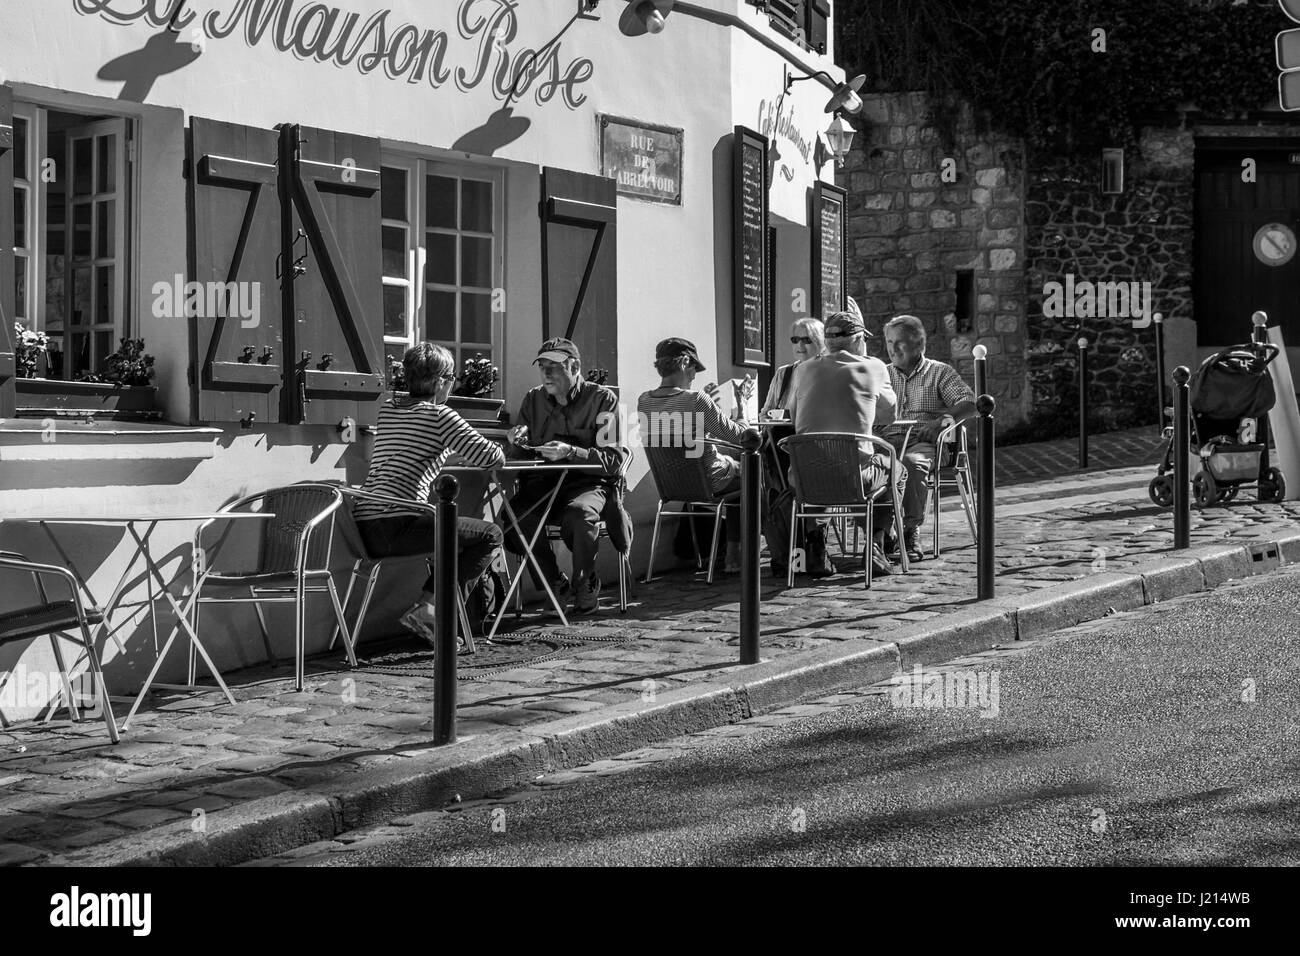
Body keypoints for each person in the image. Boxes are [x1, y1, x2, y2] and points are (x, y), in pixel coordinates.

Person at [354, 343, 506, 646]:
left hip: (363, 526)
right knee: (490, 534)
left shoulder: (388, 408)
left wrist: (443, 454)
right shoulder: (441, 416)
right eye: (451, 378)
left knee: (453, 538)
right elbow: (493, 458)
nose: (453, 384)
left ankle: (435, 611)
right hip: (399, 525)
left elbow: (409, 449)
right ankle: (431, 610)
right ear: (439, 382)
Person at [504, 338, 626, 614]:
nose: (547, 374)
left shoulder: (602, 399)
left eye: (555, 367)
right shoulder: (533, 399)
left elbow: (614, 461)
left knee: (580, 513)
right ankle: (552, 582)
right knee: (515, 516)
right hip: (544, 482)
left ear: (575, 367)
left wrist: (571, 451)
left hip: (588, 483)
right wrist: (514, 441)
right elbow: (521, 453)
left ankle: (585, 580)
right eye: (543, 367)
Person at [785, 310, 898, 577]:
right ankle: (875, 546)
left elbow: (792, 415)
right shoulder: (875, 367)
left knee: (823, 471)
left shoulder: (802, 369)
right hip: (855, 478)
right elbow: (889, 416)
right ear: (859, 339)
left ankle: (815, 545)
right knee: (896, 469)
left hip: (805, 479)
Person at [638, 337, 749, 573]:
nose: (694, 375)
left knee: (732, 466)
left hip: (672, 484)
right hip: (709, 480)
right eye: (693, 368)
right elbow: (740, 437)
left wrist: (709, 408)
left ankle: (716, 553)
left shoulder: (644, 401)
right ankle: (737, 554)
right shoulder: (696, 400)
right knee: (753, 475)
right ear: (685, 362)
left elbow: (677, 435)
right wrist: (742, 405)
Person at [877, 314, 976, 564]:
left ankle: (909, 531)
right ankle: (880, 533)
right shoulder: (880, 374)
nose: (892, 348)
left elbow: (970, 403)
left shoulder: (939, 373)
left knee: (911, 463)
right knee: (874, 464)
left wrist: (941, 420)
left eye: (899, 342)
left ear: (919, 344)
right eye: (889, 341)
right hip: (887, 441)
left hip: (925, 443)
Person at [760, 317, 826, 420]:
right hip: (785, 435)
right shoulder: (783, 372)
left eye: (807, 340)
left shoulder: (828, 371)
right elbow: (766, 413)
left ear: (822, 342)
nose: (800, 344)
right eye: (795, 340)